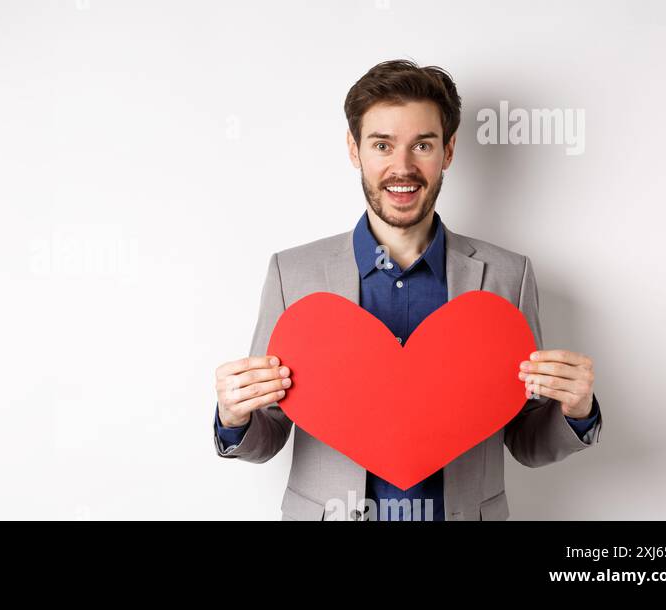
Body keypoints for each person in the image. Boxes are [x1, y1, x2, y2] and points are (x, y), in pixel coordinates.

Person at [212, 60, 602, 521]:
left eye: (422, 144)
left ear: (449, 151)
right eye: (382, 145)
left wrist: (575, 410)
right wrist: (234, 417)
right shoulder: (291, 274)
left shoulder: (507, 276)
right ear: (355, 150)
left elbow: (524, 439)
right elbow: (269, 433)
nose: (403, 167)